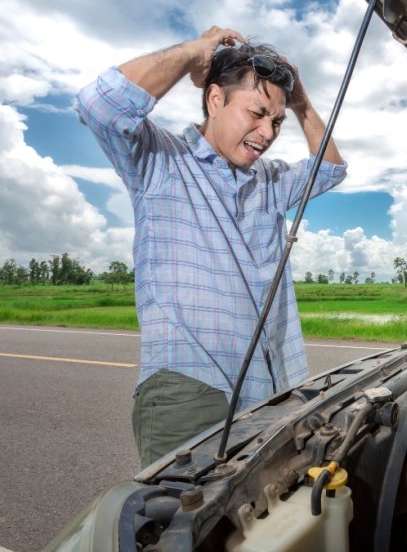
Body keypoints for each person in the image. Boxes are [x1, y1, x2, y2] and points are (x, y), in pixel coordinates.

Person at [75, 26, 347, 466]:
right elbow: (99, 105)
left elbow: (331, 168)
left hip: (274, 393)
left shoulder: (270, 181)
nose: (267, 132)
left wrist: (300, 105)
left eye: (276, 122)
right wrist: (192, 52)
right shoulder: (161, 160)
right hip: (195, 390)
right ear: (215, 99)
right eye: (257, 113)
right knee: (190, 512)